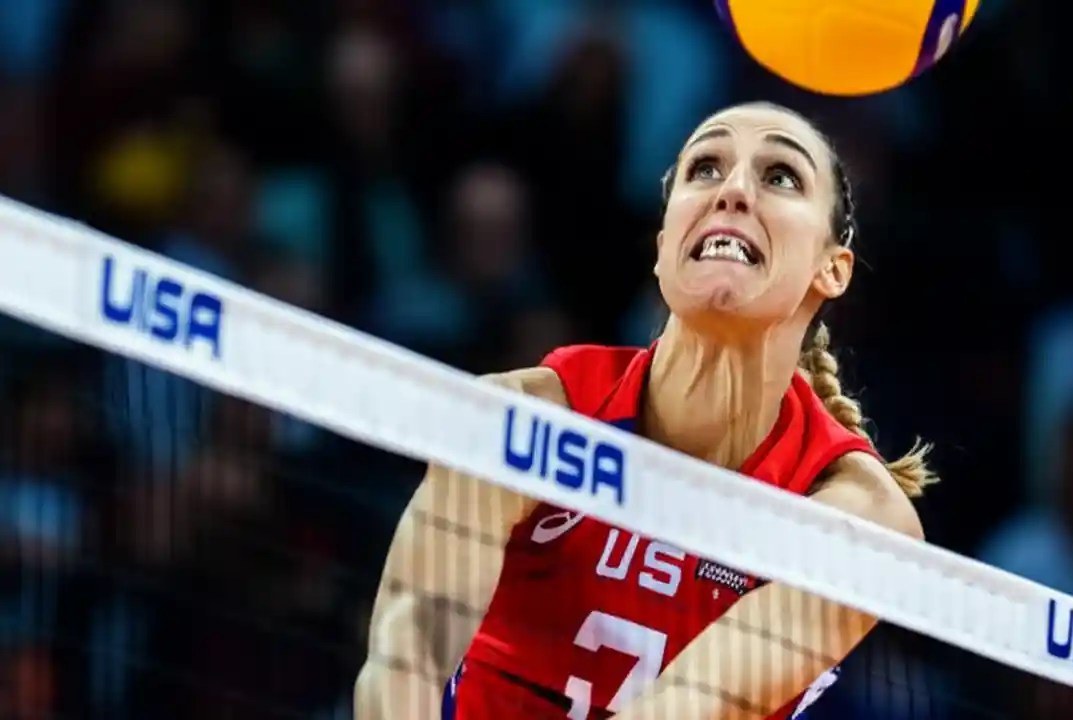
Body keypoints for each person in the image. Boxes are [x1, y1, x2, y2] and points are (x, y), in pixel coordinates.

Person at [354, 101, 931, 720]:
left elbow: (687, 707)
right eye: (706, 168)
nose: (734, 190)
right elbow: (406, 656)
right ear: (663, 248)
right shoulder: (520, 419)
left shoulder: (860, 516)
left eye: (780, 176)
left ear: (832, 269)